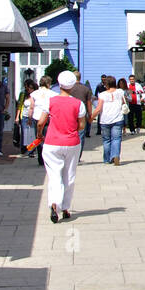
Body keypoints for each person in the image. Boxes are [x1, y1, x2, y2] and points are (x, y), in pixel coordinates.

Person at [39, 70, 86, 223]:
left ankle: (54, 204)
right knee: (69, 176)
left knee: (54, 176)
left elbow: (41, 122)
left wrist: (40, 134)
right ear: (72, 85)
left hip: (52, 142)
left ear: (59, 84)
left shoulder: (50, 101)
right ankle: (65, 207)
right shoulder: (78, 104)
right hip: (71, 143)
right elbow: (81, 125)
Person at [92, 75, 129, 166]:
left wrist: (91, 117)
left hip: (105, 120)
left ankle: (107, 159)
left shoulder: (102, 94)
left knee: (106, 140)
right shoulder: (120, 92)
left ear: (107, 84)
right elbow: (124, 102)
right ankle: (115, 155)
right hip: (117, 118)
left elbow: (99, 108)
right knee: (116, 139)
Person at [27, 75, 53, 165]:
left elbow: (31, 107)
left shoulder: (34, 94)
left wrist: (29, 118)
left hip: (37, 117)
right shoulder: (53, 94)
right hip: (48, 118)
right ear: (48, 84)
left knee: (38, 137)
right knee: (48, 139)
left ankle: (41, 159)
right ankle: (48, 158)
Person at [14, 78, 37, 153]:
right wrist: (17, 117)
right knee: (25, 133)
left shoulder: (35, 95)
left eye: (29, 87)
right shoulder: (23, 94)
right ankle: (25, 149)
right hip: (24, 116)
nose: (27, 89)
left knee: (32, 134)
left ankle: (32, 150)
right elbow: (19, 106)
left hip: (33, 117)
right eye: (26, 87)